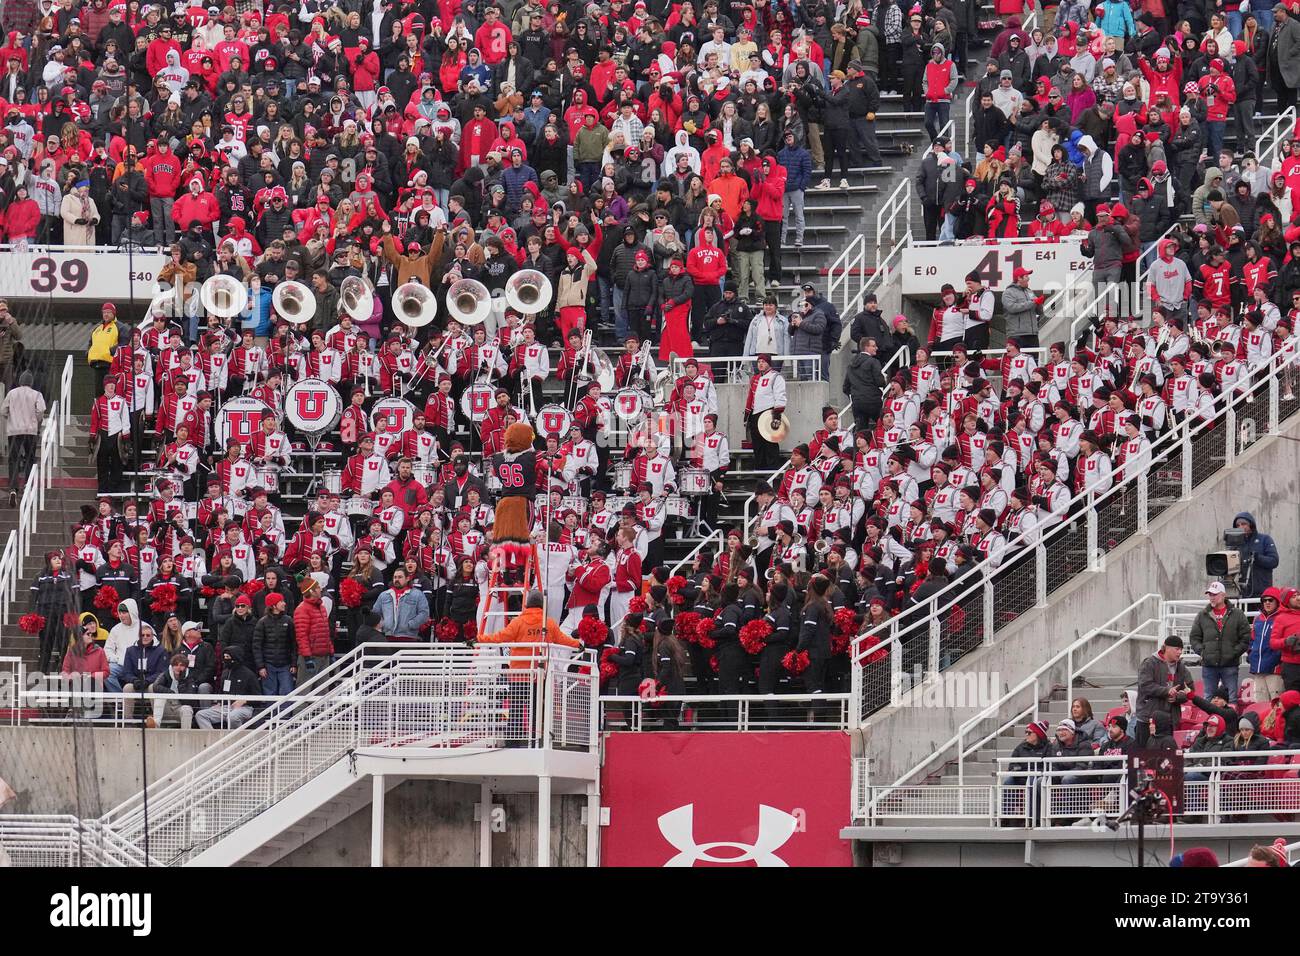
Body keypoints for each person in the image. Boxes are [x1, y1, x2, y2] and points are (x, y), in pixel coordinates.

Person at [1188, 581, 1252, 703]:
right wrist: (1203, 652)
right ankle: (1210, 722)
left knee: (1232, 698)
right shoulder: (1202, 615)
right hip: (1209, 665)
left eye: (1215, 594)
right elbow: (1194, 638)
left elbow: (1246, 637)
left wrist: (1234, 653)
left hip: (1230, 664)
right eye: (1210, 594)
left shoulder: (1237, 614)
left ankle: (1231, 722)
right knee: (1208, 698)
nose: (1211, 597)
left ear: (1223, 595)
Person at [1134, 635, 1194, 747]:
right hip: (1148, 718)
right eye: (1177, 649)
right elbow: (1145, 685)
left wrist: (1177, 697)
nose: (1180, 652)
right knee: (1144, 756)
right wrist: (1166, 691)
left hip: (1169, 721)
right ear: (1166, 648)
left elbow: (1190, 690)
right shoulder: (1149, 663)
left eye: (1181, 649)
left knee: (1166, 758)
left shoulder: (1182, 668)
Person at [1, 370, 45, 507]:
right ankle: (27, 484)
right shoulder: (36, 394)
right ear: (31, 382)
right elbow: (41, 410)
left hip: (14, 431)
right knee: (30, 458)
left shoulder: (12, 393)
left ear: (20, 381)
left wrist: (11, 418)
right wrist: (36, 420)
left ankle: (13, 488)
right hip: (30, 431)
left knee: (13, 459)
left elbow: (3, 410)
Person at [195, 646, 259, 730]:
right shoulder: (225, 673)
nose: (225, 659)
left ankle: (236, 739)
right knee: (201, 715)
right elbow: (222, 691)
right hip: (225, 707)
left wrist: (244, 701)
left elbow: (257, 696)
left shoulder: (249, 674)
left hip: (244, 708)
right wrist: (218, 703)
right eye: (224, 657)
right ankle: (214, 739)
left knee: (232, 717)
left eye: (228, 657)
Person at [293, 576, 334, 687]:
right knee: (304, 691)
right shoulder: (302, 609)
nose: (320, 589)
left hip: (323, 655)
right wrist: (307, 657)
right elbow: (302, 636)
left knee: (323, 693)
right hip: (310, 656)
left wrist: (331, 651)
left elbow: (326, 631)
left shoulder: (321, 607)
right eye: (317, 587)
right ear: (311, 591)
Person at [252, 592, 295, 696]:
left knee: (287, 693)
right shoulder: (262, 622)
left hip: (285, 664)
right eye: (281, 601)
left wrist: (293, 663)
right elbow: (256, 646)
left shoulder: (288, 620)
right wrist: (261, 666)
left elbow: (293, 643)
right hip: (268, 666)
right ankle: (272, 713)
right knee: (269, 694)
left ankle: (285, 713)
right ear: (273, 605)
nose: (284, 603)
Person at [1247, 587, 1285, 701]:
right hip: (1258, 669)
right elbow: (1252, 639)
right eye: (1264, 600)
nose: (1267, 602)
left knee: (1276, 703)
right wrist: (1251, 654)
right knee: (1260, 704)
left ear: (1277, 602)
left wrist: (1278, 659)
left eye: (1271, 600)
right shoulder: (1257, 619)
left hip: (1274, 670)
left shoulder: (1281, 618)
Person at [149, 652, 204, 729]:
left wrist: (181, 683)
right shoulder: (166, 674)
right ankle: (155, 724)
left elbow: (190, 700)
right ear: (172, 666)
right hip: (166, 707)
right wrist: (171, 693)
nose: (178, 667)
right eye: (176, 665)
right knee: (160, 696)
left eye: (181, 665)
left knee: (187, 709)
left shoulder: (190, 678)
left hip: (180, 707)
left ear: (186, 667)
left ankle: (186, 734)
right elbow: (155, 686)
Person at [843, 336, 886, 431]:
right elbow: (880, 382)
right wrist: (884, 380)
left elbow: (845, 387)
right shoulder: (873, 362)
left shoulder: (851, 364)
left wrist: (855, 395)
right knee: (882, 427)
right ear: (866, 347)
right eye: (874, 346)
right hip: (873, 401)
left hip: (857, 402)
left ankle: (858, 445)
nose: (877, 348)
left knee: (860, 432)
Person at [376, 565, 430, 640]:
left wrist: (410, 625)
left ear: (407, 578)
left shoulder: (417, 594)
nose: (396, 579)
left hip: (409, 637)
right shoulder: (384, 595)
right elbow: (376, 613)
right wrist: (383, 625)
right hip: (387, 636)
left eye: (400, 577)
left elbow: (424, 613)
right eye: (395, 577)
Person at [1232, 512, 1278, 598]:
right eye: (1237, 525)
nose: (1240, 527)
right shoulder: (1235, 544)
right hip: (1242, 592)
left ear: (1251, 525)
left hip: (1262, 592)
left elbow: (1274, 561)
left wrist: (1256, 557)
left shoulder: (1265, 539)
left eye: (1244, 524)